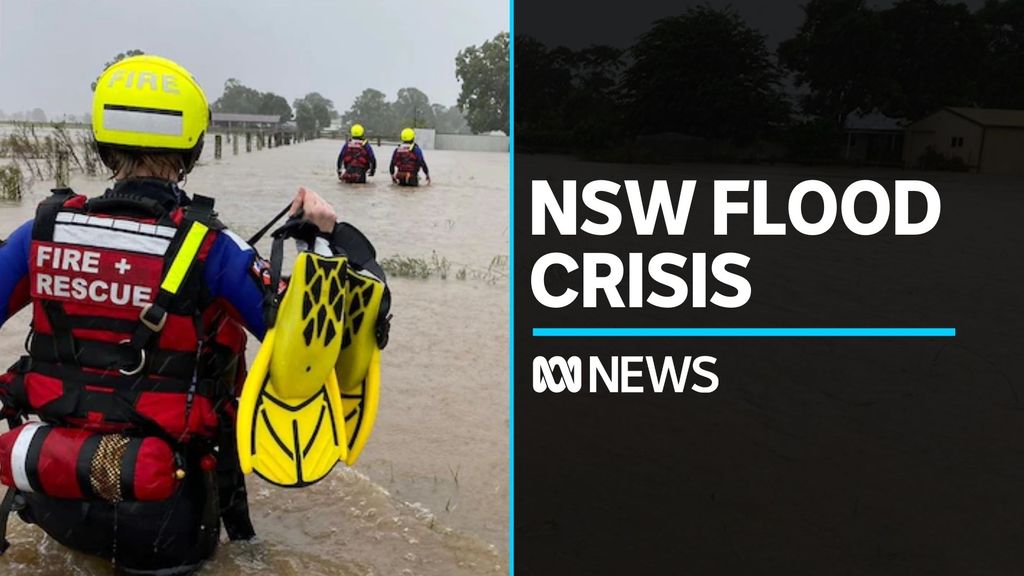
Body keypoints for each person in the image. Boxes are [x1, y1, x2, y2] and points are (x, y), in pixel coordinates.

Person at [0, 55, 390, 575]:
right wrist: (327, 237)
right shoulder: (213, 249)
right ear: (193, 146)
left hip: (52, 488)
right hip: (165, 511)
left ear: (101, 139)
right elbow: (310, 351)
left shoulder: (39, 232)